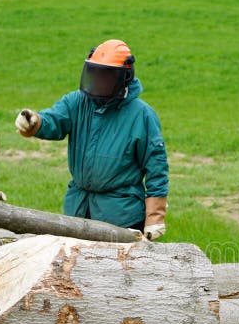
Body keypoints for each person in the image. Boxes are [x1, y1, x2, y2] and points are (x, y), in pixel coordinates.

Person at [15, 39, 168, 240]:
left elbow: (156, 168)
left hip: (121, 217)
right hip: (78, 208)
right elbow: (54, 120)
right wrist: (35, 123)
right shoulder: (77, 101)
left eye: (106, 75)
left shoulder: (142, 116)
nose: (99, 80)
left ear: (124, 77)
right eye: (95, 73)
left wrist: (155, 217)